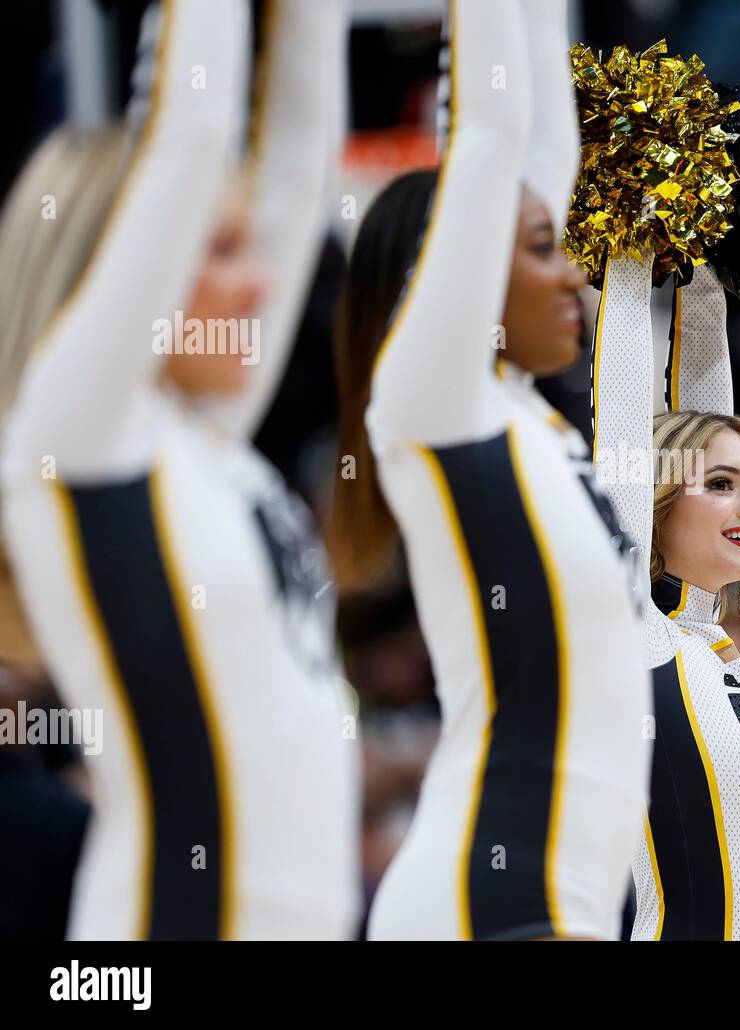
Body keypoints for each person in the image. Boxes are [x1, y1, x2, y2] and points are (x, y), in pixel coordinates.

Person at [0, 0, 359, 939]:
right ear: (121, 268)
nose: (264, 281)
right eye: (222, 249)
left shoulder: (207, 447)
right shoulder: (81, 430)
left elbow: (299, 161)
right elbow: (192, 131)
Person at [332, 0, 651, 942]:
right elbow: (493, 129)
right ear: (455, 277)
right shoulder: (438, 402)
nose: (575, 277)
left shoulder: (519, 416)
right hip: (495, 907)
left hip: (555, 907)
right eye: (546, 250)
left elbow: (544, 134)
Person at [591, 254, 740, 940]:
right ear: (653, 499)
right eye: (720, 484)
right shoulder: (640, 633)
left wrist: (708, 256)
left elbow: (708, 410)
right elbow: (624, 417)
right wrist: (626, 245)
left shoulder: (713, 650)